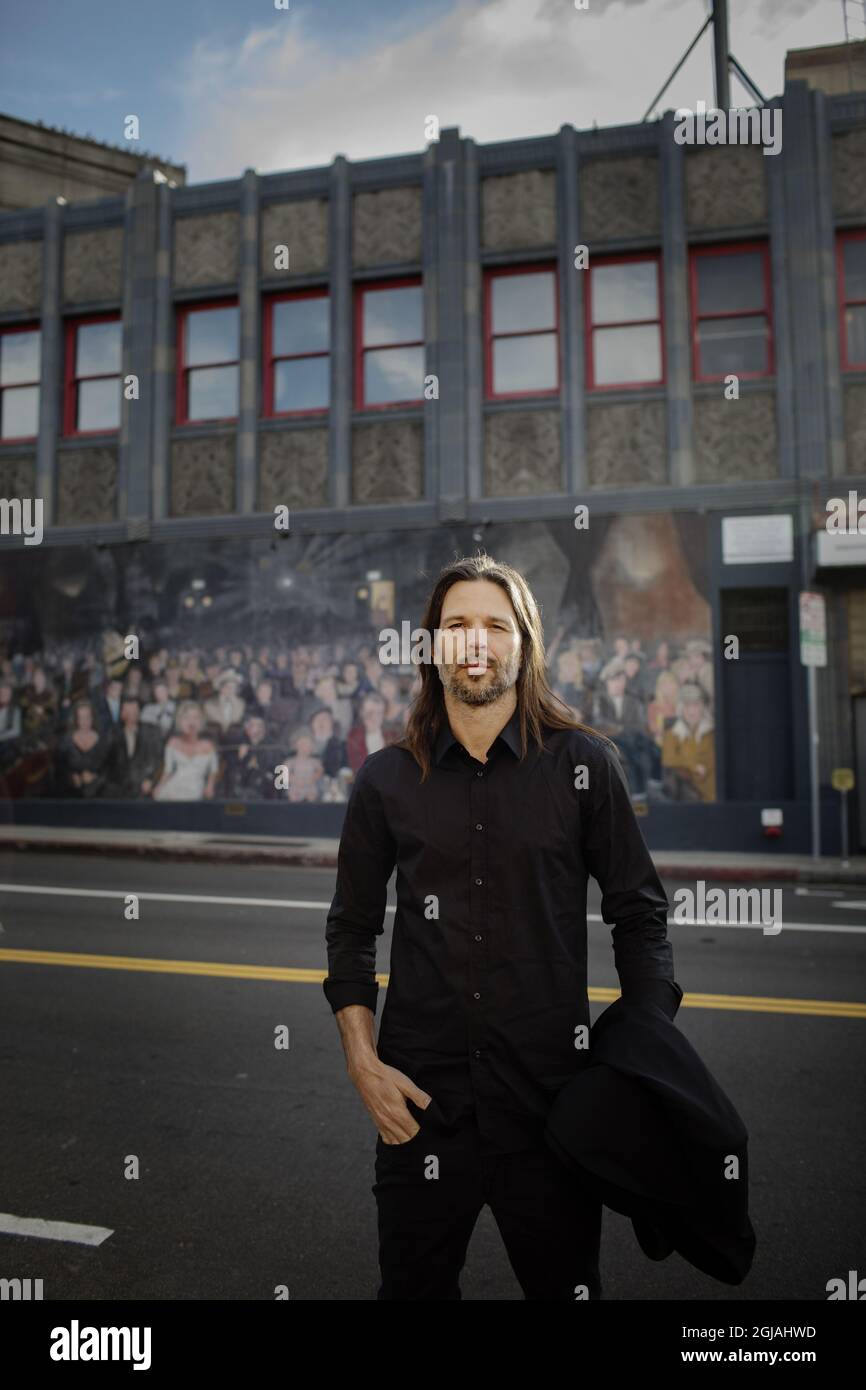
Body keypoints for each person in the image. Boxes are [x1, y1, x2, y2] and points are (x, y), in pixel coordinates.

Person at [323, 553, 680, 1301]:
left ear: (525, 642)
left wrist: (638, 1061)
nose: (475, 640)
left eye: (495, 624)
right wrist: (363, 1062)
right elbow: (351, 930)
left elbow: (639, 915)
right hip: (418, 1111)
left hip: (553, 1111)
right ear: (432, 646)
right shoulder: (386, 779)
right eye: (456, 625)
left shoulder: (587, 765)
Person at [152, 701, 219, 801]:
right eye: (187, 718)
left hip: (195, 789)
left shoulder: (208, 746)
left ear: (201, 722)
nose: (191, 722)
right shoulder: (173, 742)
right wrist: (159, 786)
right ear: (180, 721)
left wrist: (210, 786)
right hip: (173, 787)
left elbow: (214, 771)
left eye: (195, 718)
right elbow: (168, 770)